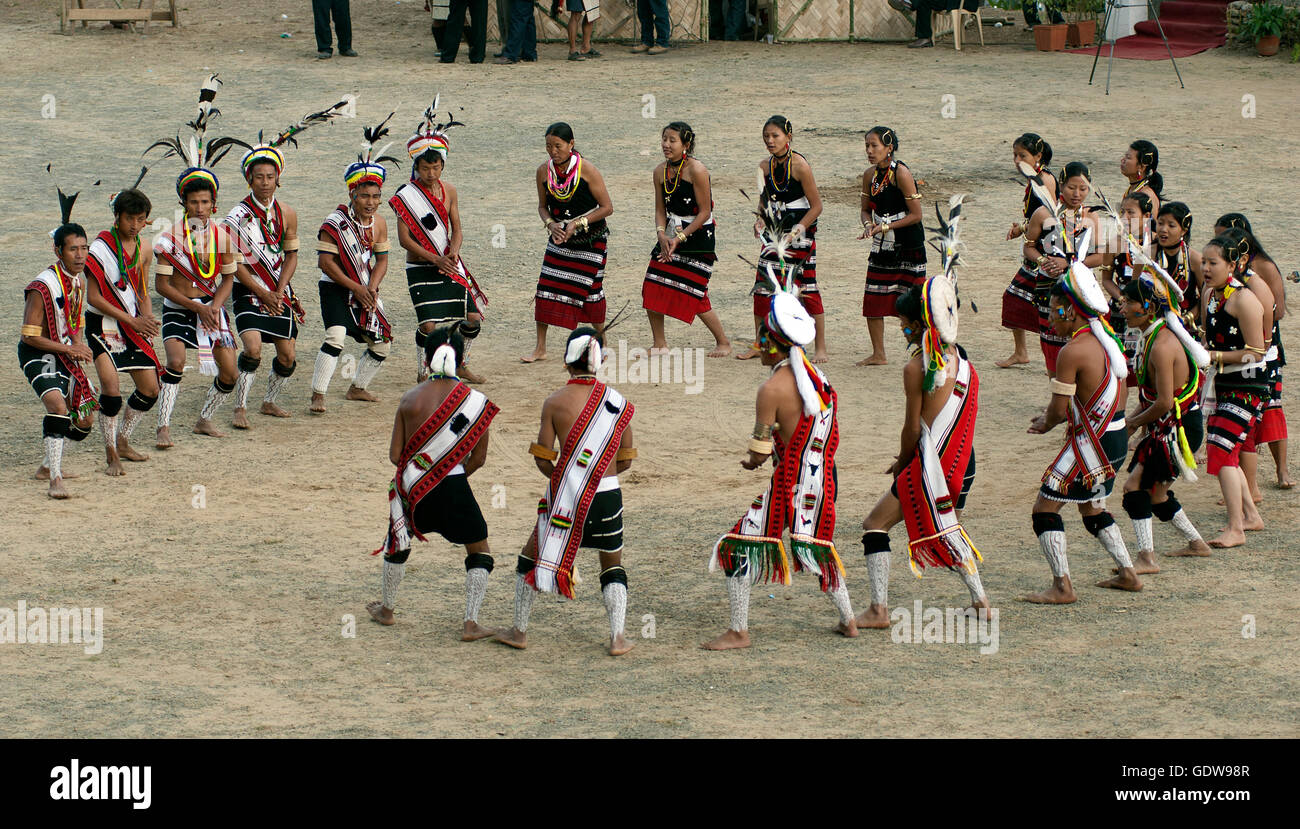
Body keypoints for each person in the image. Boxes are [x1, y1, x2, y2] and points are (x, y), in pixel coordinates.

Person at [704, 276, 856, 649]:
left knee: (740, 545)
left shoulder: (770, 390)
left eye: (761, 341)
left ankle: (739, 631)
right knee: (816, 544)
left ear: (773, 345)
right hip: (821, 477)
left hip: (790, 481)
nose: (758, 347)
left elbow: (758, 452)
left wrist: (750, 462)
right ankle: (849, 620)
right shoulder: (817, 378)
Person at [856, 279, 990, 629]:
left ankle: (878, 610)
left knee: (875, 526)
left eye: (903, 324)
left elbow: (913, 429)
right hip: (962, 459)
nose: (900, 329)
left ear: (918, 326)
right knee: (949, 527)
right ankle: (979, 601)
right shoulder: (961, 358)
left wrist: (902, 461)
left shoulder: (916, 369)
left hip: (930, 462)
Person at [496, 327, 638, 657]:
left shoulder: (554, 402)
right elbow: (626, 461)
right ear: (600, 361)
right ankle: (617, 637)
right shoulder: (619, 404)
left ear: (566, 362)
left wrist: (563, 479)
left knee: (529, 556)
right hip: (607, 496)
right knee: (611, 564)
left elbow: (544, 457)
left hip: (565, 498)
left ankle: (519, 630)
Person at [370, 324, 501, 640]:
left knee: (399, 542)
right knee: (479, 549)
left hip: (414, 487)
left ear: (427, 360)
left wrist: (427, 474)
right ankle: (470, 623)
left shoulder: (409, 399)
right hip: (455, 484)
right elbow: (479, 459)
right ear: (459, 358)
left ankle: (387, 610)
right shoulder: (476, 401)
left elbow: (395, 455)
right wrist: (449, 474)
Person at [1026, 263, 1142, 603]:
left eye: (1052, 312)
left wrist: (1046, 422)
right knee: (1092, 508)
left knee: (1045, 509)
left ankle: (1062, 586)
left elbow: (1059, 410)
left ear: (1068, 310)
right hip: (1114, 437)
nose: (1049, 319)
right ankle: (1128, 572)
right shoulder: (1108, 341)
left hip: (1093, 444)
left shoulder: (1072, 351)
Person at [145, 76, 243, 448]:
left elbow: (229, 279)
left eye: (205, 203)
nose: (199, 208)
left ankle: (205, 418)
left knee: (230, 373)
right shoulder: (170, 236)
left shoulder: (223, 236)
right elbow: (162, 286)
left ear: (213, 205)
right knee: (173, 361)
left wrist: (214, 307)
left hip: (212, 308)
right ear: (185, 204)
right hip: (179, 307)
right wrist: (194, 307)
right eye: (193, 202)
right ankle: (163, 426)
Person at [224, 114, 331, 430]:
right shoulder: (237, 216)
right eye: (259, 176)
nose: (265, 181)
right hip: (249, 290)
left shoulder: (288, 213)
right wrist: (262, 292)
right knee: (253, 348)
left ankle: (269, 400)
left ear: (278, 178)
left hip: (278, 291)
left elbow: (292, 255)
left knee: (287, 357)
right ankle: (240, 406)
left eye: (270, 176)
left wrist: (280, 291)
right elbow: (234, 264)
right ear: (250, 179)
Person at [390, 99, 489, 385]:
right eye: (425, 167)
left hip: (448, 262)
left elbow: (457, 228)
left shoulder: (450, 190)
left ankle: (461, 363)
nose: (431, 173)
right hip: (421, 267)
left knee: (472, 318)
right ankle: (423, 369)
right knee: (429, 325)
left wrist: (454, 252)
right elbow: (404, 239)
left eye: (435, 167)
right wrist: (436, 259)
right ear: (416, 167)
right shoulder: (406, 196)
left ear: (442, 165)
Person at [1118, 273, 1212, 572]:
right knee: (1155, 493)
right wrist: (1134, 420)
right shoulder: (1154, 338)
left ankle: (1146, 558)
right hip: (1169, 427)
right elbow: (1154, 398)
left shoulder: (1160, 345)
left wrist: (1132, 423)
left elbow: (1163, 403)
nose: (1122, 307)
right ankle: (1197, 544)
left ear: (1148, 308)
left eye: (1129, 301)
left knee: (1135, 488)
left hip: (1176, 430)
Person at [310, 116, 399, 413]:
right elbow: (326, 263)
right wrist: (355, 288)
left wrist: (371, 287)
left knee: (382, 343)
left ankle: (357, 387)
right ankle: (318, 394)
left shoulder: (381, 223)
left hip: (364, 287)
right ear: (352, 195)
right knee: (335, 336)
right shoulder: (334, 223)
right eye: (364, 196)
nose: (370, 202)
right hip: (336, 288)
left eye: (375, 196)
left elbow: (382, 259)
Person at [21, 199, 98, 499]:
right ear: (58, 252)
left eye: (84, 248)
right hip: (38, 354)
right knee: (58, 406)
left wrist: (78, 344)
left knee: (87, 417)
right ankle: (55, 478)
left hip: (64, 352)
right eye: (73, 249)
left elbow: (75, 322)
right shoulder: (43, 286)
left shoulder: (77, 281)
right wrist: (69, 350)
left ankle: (45, 466)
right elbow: (29, 336)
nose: (80, 255)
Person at [84, 185, 161, 474]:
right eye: (130, 218)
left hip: (131, 323)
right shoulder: (100, 248)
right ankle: (111, 452)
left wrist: (148, 319)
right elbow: (94, 298)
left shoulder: (144, 247)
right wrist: (133, 322)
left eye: (141, 219)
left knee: (150, 388)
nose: (135, 225)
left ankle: (124, 441)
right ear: (117, 216)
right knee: (112, 390)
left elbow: (141, 290)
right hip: (103, 325)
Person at [523, 122, 613, 363]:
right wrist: (551, 224)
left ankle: (601, 345)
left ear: (571, 144)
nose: (553, 151)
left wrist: (578, 224)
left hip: (590, 240)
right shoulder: (543, 171)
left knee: (591, 292)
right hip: (559, 237)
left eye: (558, 146)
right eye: (548, 146)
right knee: (546, 287)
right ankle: (540, 347)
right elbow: (542, 206)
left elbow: (607, 208)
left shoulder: (587, 170)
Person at [1200, 234, 1269, 548]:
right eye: (1204, 262)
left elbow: (1256, 352)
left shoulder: (1244, 299)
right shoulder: (1209, 294)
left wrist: (1213, 357)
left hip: (1247, 386)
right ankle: (1250, 516)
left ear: (1232, 265)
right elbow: (1207, 338)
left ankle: (1236, 527)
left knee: (1220, 450)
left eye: (1213, 263)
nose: (1206, 268)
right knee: (1223, 447)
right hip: (1222, 383)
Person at [739, 115, 826, 362]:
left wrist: (797, 230)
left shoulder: (800, 166)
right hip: (774, 236)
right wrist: (760, 220)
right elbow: (764, 202)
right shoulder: (764, 167)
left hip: (800, 236)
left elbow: (816, 206)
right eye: (766, 136)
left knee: (807, 288)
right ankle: (760, 343)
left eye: (775, 136)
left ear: (788, 136)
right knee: (763, 288)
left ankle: (820, 347)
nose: (770, 140)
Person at [641, 121, 730, 357]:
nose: (666, 145)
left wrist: (680, 237)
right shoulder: (660, 171)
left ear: (686, 145)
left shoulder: (697, 170)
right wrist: (661, 233)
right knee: (652, 283)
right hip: (671, 231)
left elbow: (705, 212)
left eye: (672, 140)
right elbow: (660, 208)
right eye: (664, 139)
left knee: (695, 290)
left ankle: (723, 342)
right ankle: (660, 344)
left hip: (698, 235)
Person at [1215, 213, 1290, 490]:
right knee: (1247, 418)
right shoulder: (1229, 273)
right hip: (1242, 350)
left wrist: (1253, 326)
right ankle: (1250, 486)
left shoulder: (1263, 269)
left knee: (1270, 409)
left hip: (1263, 350)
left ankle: (1282, 471)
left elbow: (1277, 310)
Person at [1021, 161, 1105, 376]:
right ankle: (1057, 392)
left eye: (1083, 189)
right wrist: (1042, 261)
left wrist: (1070, 263)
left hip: (1080, 290)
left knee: (1080, 336)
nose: (1077, 194)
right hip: (1049, 289)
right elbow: (1028, 247)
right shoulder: (1043, 213)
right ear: (1061, 185)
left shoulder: (1092, 216)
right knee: (1052, 339)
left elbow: (1101, 257)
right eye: (1071, 187)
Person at [858, 125, 924, 366]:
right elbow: (865, 210)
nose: (869, 150)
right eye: (867, 145)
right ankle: (879, 353)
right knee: (873, 299)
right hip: (882, 245)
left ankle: (921, 349)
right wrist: (868, 226)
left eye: (874, 146)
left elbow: (916, 214)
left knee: (913, 304)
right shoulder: (869, 176)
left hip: (908, 245)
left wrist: (887, 226)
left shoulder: (901, 174)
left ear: (889, 148)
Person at [999, 133, 1056, 369]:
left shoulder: (1045, 180)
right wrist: (1022, 227)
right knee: (1014, 298)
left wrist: (1025, 230)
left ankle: (1052, 360)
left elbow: (1052, 218)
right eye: (1015, 155)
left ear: (1038, 156)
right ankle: (1021, 352)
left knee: (1046, 307)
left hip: (1045, 251)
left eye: (1022, 155)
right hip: (1036, 248)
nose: (1017, 160)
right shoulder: (1035, 179)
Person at [888, 0, 981, 48]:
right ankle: (909, 5)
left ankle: (909, 5)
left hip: (963, 2)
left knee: (924, 2)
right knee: (924, 2)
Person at [1121, 140, 1163, 225]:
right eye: (1125, 156)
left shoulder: (1147, 195)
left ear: (1141, 167)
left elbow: (1152, 232)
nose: (1123, 160)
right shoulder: (1132, 190)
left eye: (1128, 158)